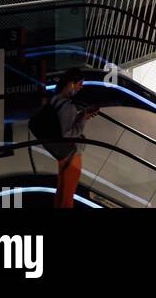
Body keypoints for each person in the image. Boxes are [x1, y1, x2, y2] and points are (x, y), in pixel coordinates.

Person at [51, 68, 98, 209]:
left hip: (63, 154)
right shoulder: (67, 106)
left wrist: (80, 116)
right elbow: (68, 134)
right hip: (72, 154)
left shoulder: (55, 100)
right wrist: (83, 119)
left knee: (61, 193)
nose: (81, 87)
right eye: (80, 83)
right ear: (71, 84)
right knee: (67, 197)